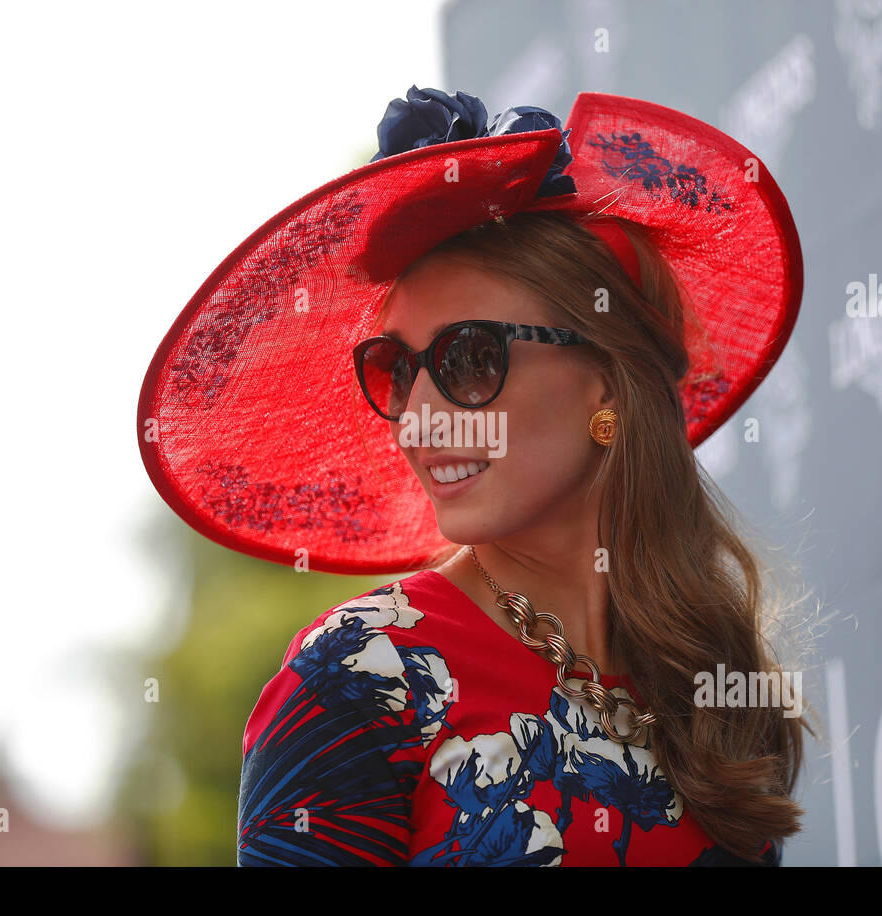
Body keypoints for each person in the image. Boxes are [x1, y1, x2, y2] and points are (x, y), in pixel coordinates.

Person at [138, 86, 819, 866]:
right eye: (395, 370)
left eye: (469, 358)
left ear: (605, 379)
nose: (418, 417)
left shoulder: (707, 675)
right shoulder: (356, 677)